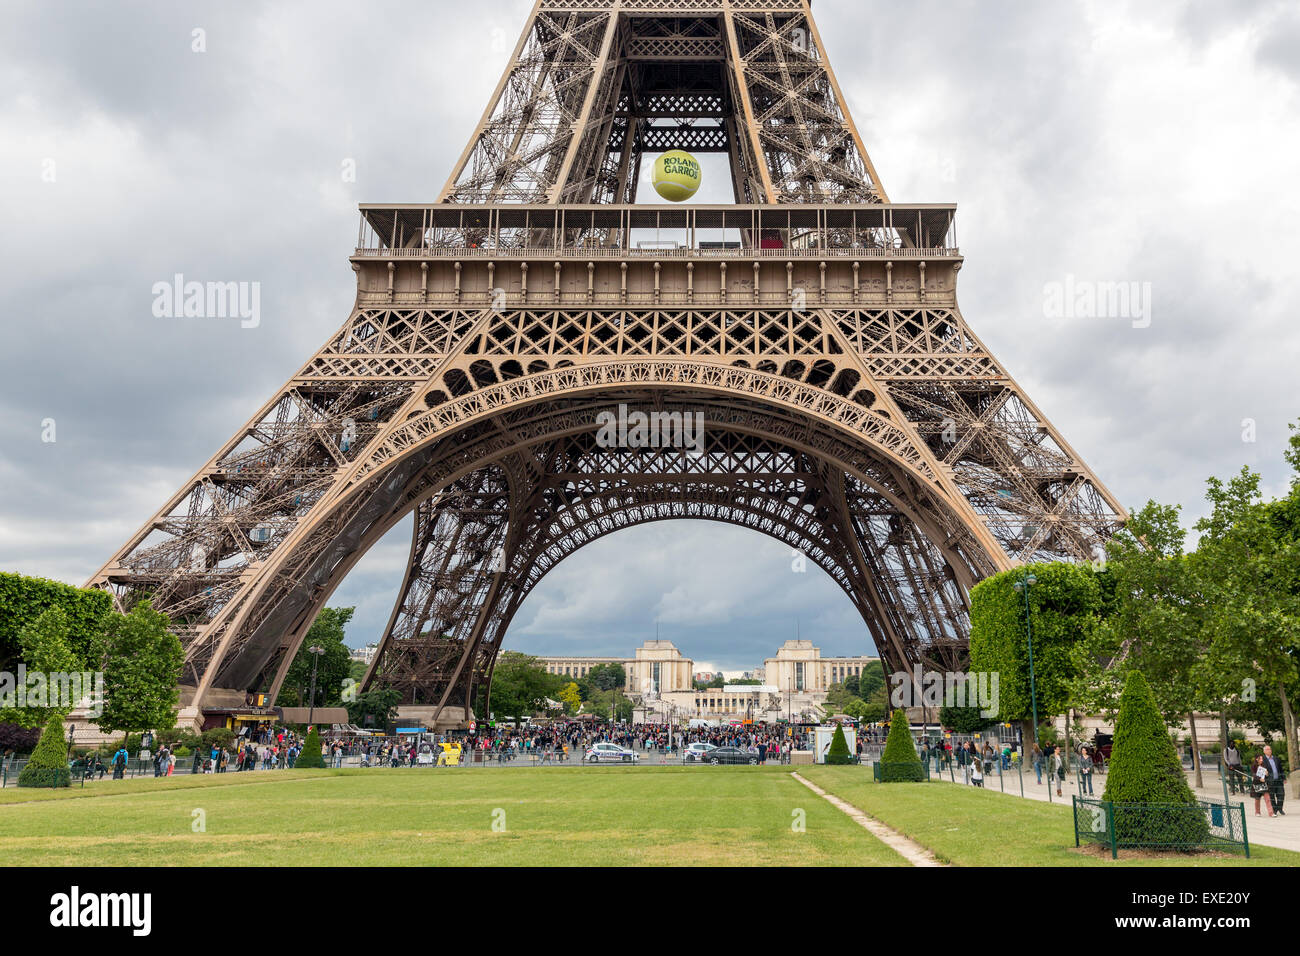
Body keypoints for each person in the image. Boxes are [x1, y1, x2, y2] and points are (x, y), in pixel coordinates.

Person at [1262, 746, 1286, 816]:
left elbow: (1281, 769)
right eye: (1267, 749)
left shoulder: (1276, 758)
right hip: (1269, 781)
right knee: (1271, 796)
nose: (1269, 750)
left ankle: (1280, 808)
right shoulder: (1263, 760)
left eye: (1270, 749)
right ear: (1264, 751)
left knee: (1281, 795)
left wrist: (1284, 778)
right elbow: (1260, 769)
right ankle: (1274, 810)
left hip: (1278, 780)